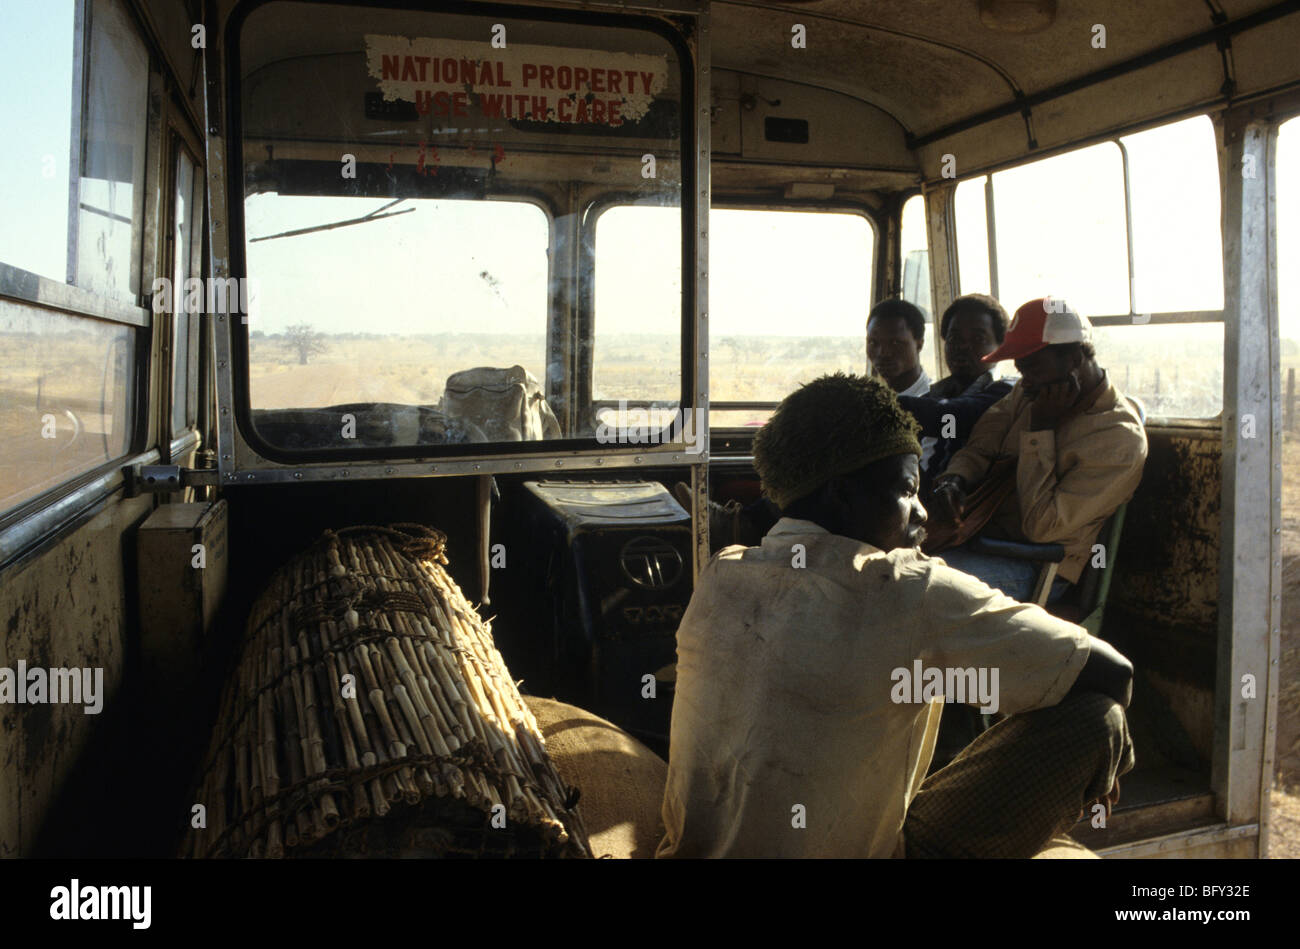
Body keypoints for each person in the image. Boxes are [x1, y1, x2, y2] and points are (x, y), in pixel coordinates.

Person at [657, 372, 1135, 858]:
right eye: (907, 490)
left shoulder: (722, 574)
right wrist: (1104, 764)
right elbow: (1112, 671)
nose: (922, 513)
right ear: (843, 495)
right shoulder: (912, 591)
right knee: (1101, 720)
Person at [930, 297, 1148, 605]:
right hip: (977, 537)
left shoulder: (1117, 438)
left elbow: (1042, 527)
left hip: (1037, 566)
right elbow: (981, 446)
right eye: (1020, 367)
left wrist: (1039, 431)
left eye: (1032, 366)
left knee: (922, 589)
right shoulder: (1027, 390)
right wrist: (955, 479)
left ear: (1073, 358)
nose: (1024, 379)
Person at [896, 294, 1014, 495]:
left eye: (978, 339)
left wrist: (881, 402)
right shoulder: (933, 398)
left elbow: (950, 419)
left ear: (1000, 347)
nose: (962, 347)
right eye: (954, 338)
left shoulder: (1004, 393)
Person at [867, 299, 930, 396]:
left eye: (895, 343)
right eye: (873, 343)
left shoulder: (933, 403)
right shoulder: (873, 399)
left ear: (919, 344)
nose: (883, 353)